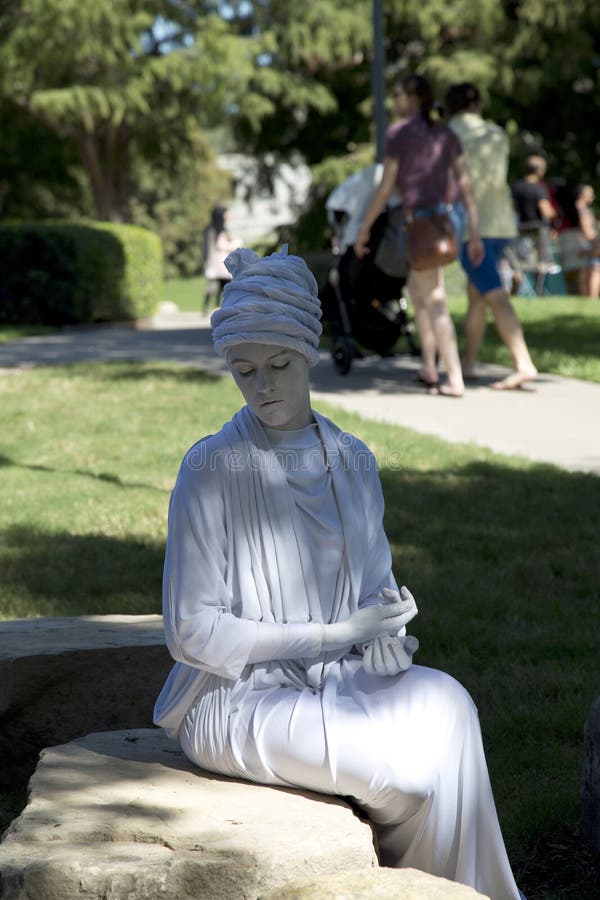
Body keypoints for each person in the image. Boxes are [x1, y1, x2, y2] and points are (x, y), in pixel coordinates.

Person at [153, 246, 524, 899]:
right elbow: (192, 632)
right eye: (244, 371)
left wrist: (386, 635)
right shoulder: (210, 469)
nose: (263, 386)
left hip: (338, 675)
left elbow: (373, 590)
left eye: (279, 366)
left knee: (449, 704)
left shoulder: (352, 460)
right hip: (236, 697)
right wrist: (333, 634)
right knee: (405, 773)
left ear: (309, 354)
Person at [354, 73, 484, 398]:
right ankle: (429, 366)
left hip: (419, 228)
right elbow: (465, 186)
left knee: (435, 298)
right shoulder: (445, 134)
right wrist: (474, 233)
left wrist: (364, 229)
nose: (395, 101)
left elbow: (385, 188)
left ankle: (453, 377)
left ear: (412, 97)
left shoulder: (399, 134)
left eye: (398, 95)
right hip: (442, 224)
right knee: (418, 291)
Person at [444, 82, 538, 390]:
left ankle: (523, 363)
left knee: (494, 294)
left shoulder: (448, 134)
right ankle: (469, 362)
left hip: (473, 227)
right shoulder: (497, 133)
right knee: (477, 294)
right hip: (501, 221)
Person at [511, 156, 556, 266]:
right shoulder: (539, 188)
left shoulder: (516, 187)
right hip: (538, 231)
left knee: (522, 262)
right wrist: (554, 213)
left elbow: (513, 208)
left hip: (521, 229)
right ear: (539, 170)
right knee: (542, 264)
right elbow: (546, 211)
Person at [202, 205, 242, 313]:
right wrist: (235, 244)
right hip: (219, 262)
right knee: (220, 285)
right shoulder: (218, 230)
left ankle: (211, 306)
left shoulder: (210, 229)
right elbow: (221, 245)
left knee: (216, 285)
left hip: (214, 262)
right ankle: (215, 306)